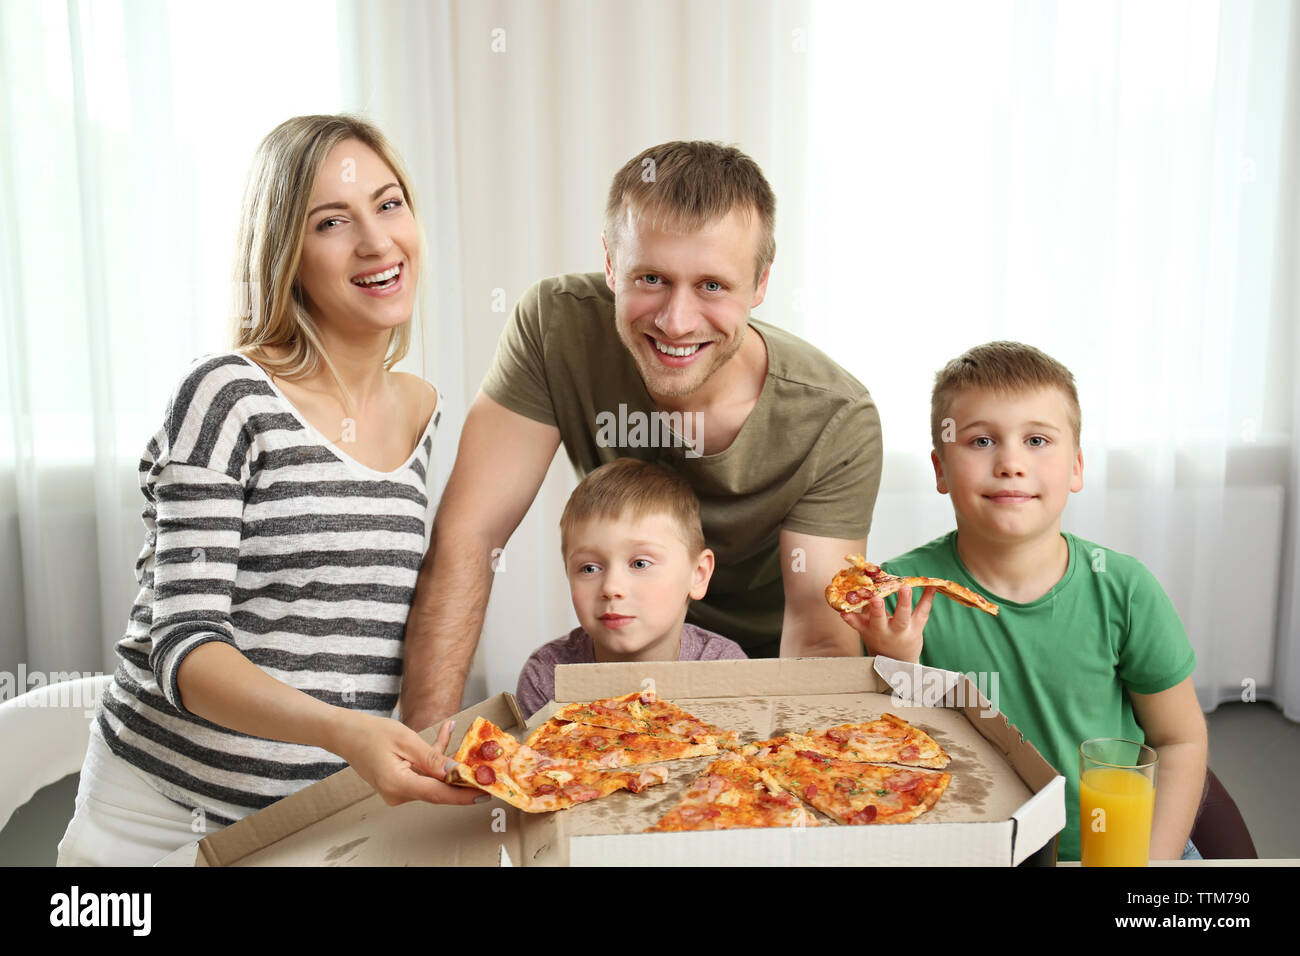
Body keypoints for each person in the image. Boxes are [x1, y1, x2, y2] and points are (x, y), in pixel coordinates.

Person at [57, 114, 481, 867]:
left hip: (307, 824)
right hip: (158, 813)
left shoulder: (422, 409)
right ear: (285, 253)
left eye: (389, 205)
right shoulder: (227, 394)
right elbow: (184, 647)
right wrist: (349, 733)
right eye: (331, 222)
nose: (378, 242)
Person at [402, 141, 882, 731]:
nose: (675, 321)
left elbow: (819, 638)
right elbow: (467, 538)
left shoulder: (836, 417)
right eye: (651, 278)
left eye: (712, 286)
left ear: (760, 283)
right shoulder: (554, 327)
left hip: (757, 694)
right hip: (610, 677)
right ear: (610, 264)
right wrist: (428, 746)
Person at [841, 341, 1207, 862]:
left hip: (1121, 851)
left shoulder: (1125, 589)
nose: (1011, 462)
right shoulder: (895, 594)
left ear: (1076, 468)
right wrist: (897, 663)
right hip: (973, 850)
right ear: (941, 470)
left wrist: (1153, 861)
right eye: (982, 440)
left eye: (1037, 440)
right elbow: (878, 757)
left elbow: (1179, 741)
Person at [515, 458, 746, 718]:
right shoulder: (547, 675)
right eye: (589, 568)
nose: (612, 588)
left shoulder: (724, 668)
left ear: (698, 575)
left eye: (639, 563)